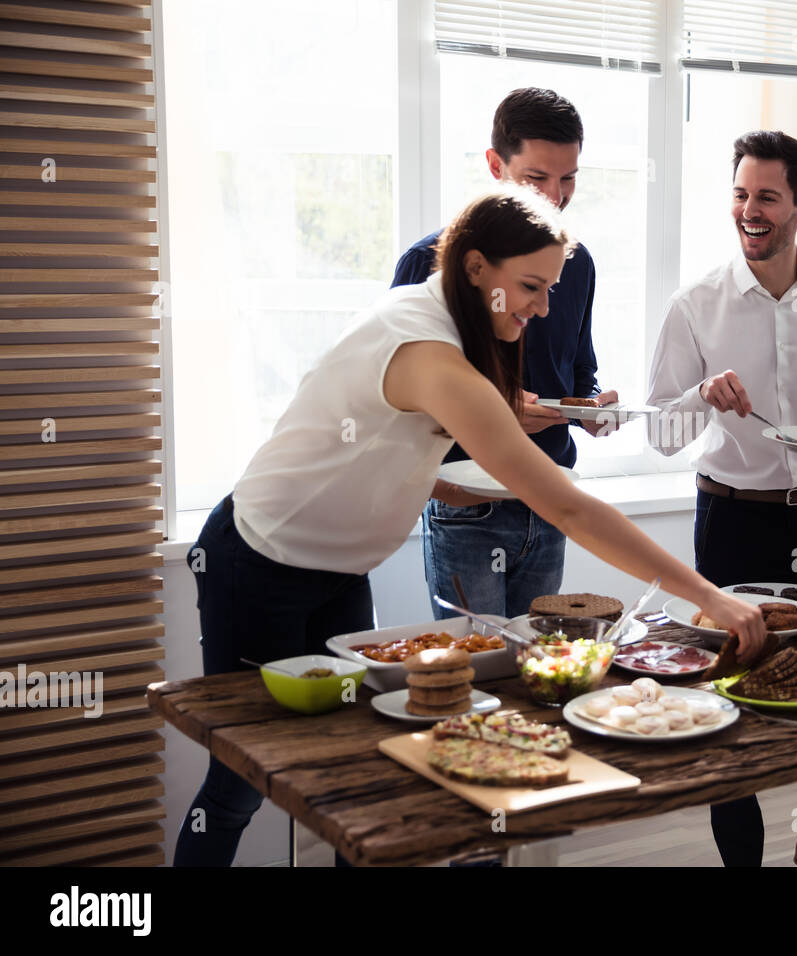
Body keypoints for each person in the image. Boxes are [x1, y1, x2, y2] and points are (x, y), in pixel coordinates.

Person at [174, 185, 765, 866]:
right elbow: (567, 506)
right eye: (532, 286)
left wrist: (435, 482)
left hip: (338, 573)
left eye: (550, 290)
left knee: (362, 778)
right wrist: (708, 596)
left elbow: (365, 439)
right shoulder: (429, 350)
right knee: (240, 782)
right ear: (477, 267)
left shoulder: (445, 320)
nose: (543, 308)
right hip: (257, 565)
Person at [646, 131, 797, 867]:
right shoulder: (696, 304)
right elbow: (659, 431)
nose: (749, 210)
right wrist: (701, 395)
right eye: (741, 194)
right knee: (731, 686)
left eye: (767, 198)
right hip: (730, 520)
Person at [391, 87, 618, 620]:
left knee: (537, 670)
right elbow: (400, 404)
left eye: (568, 179)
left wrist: (587, 406)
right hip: (468, 503)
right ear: (495, 164)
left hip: (550, 495)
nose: (555, 196)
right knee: (478, 672)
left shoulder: (577, 264)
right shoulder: (428, 263)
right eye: (537, 178)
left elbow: (578, 366)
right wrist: (493, 411)